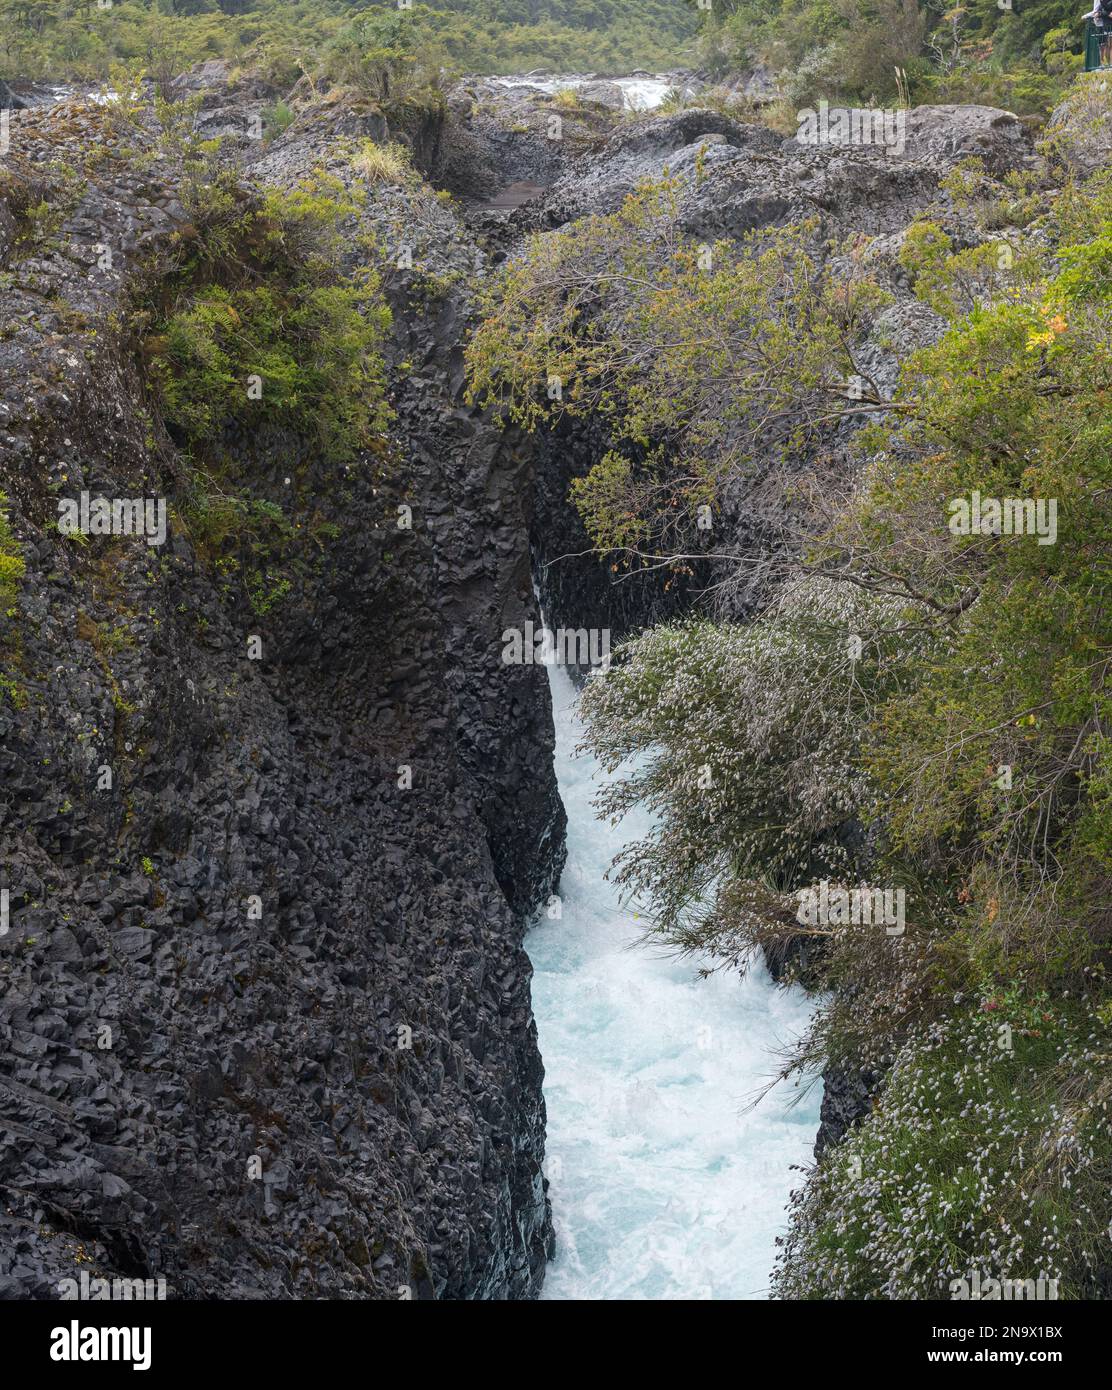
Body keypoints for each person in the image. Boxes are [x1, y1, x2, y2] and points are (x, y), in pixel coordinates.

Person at [1093, 0, 1112, 68]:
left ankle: (1108, 63)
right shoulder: (1102, 4)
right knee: (1107, 45)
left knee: (1109, 45)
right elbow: (1098, 12)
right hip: (1106, 27)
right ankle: (1108, 63)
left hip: (1107, 26)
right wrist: (1101, 14)